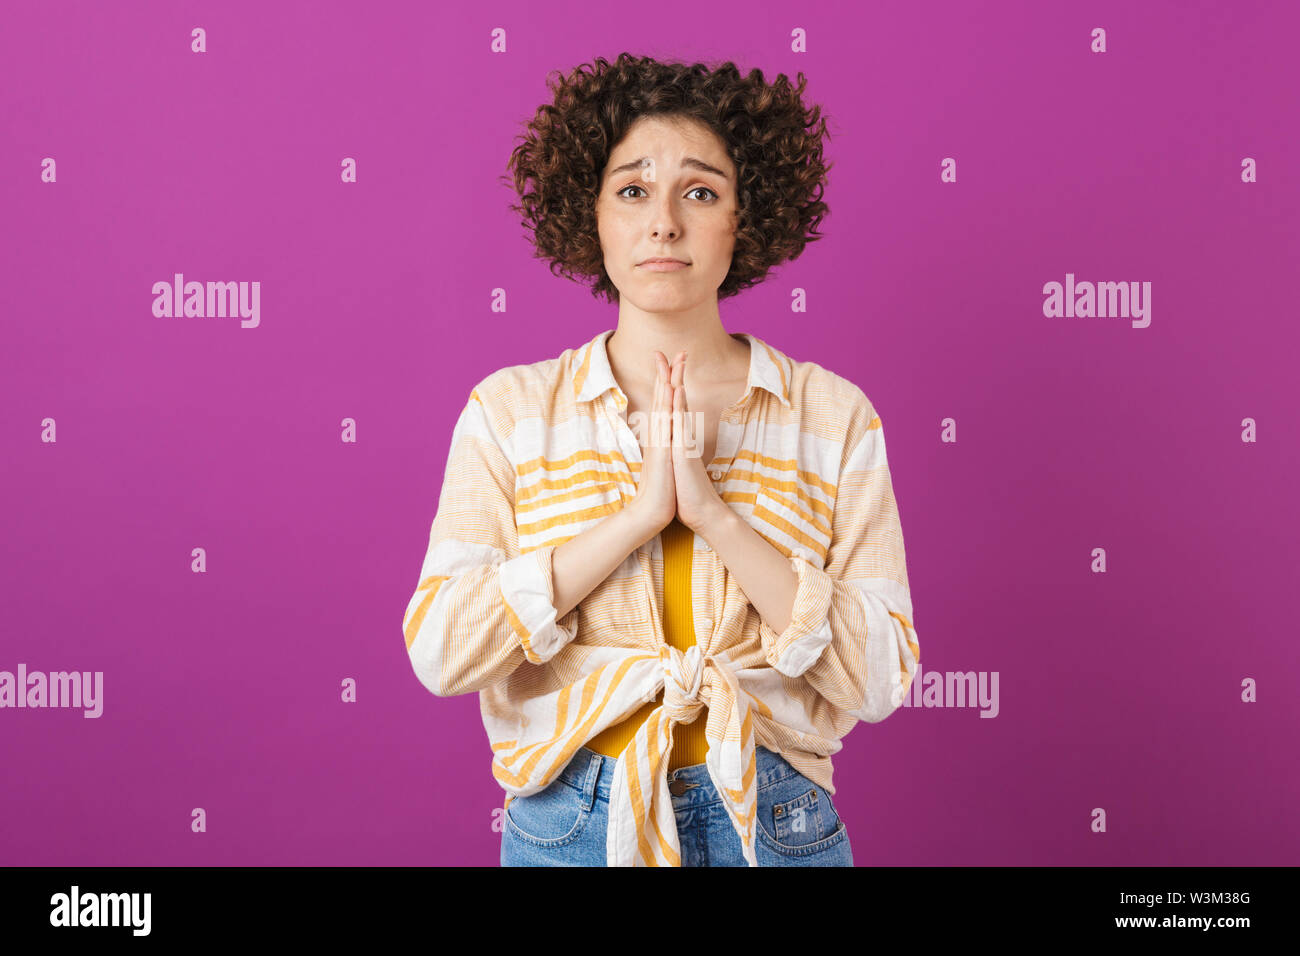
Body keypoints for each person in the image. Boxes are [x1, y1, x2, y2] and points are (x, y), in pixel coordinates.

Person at [402, 53, 919, 866]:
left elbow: (882, 676)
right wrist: (641, 513)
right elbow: (441, 648)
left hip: (775, 822)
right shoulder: (508, 412)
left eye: (701, 191)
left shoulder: (833, 416)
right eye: (633, 190)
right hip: (570, 822)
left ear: (745, 218)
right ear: (593, 214)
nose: (664, 222)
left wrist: (711, 513)